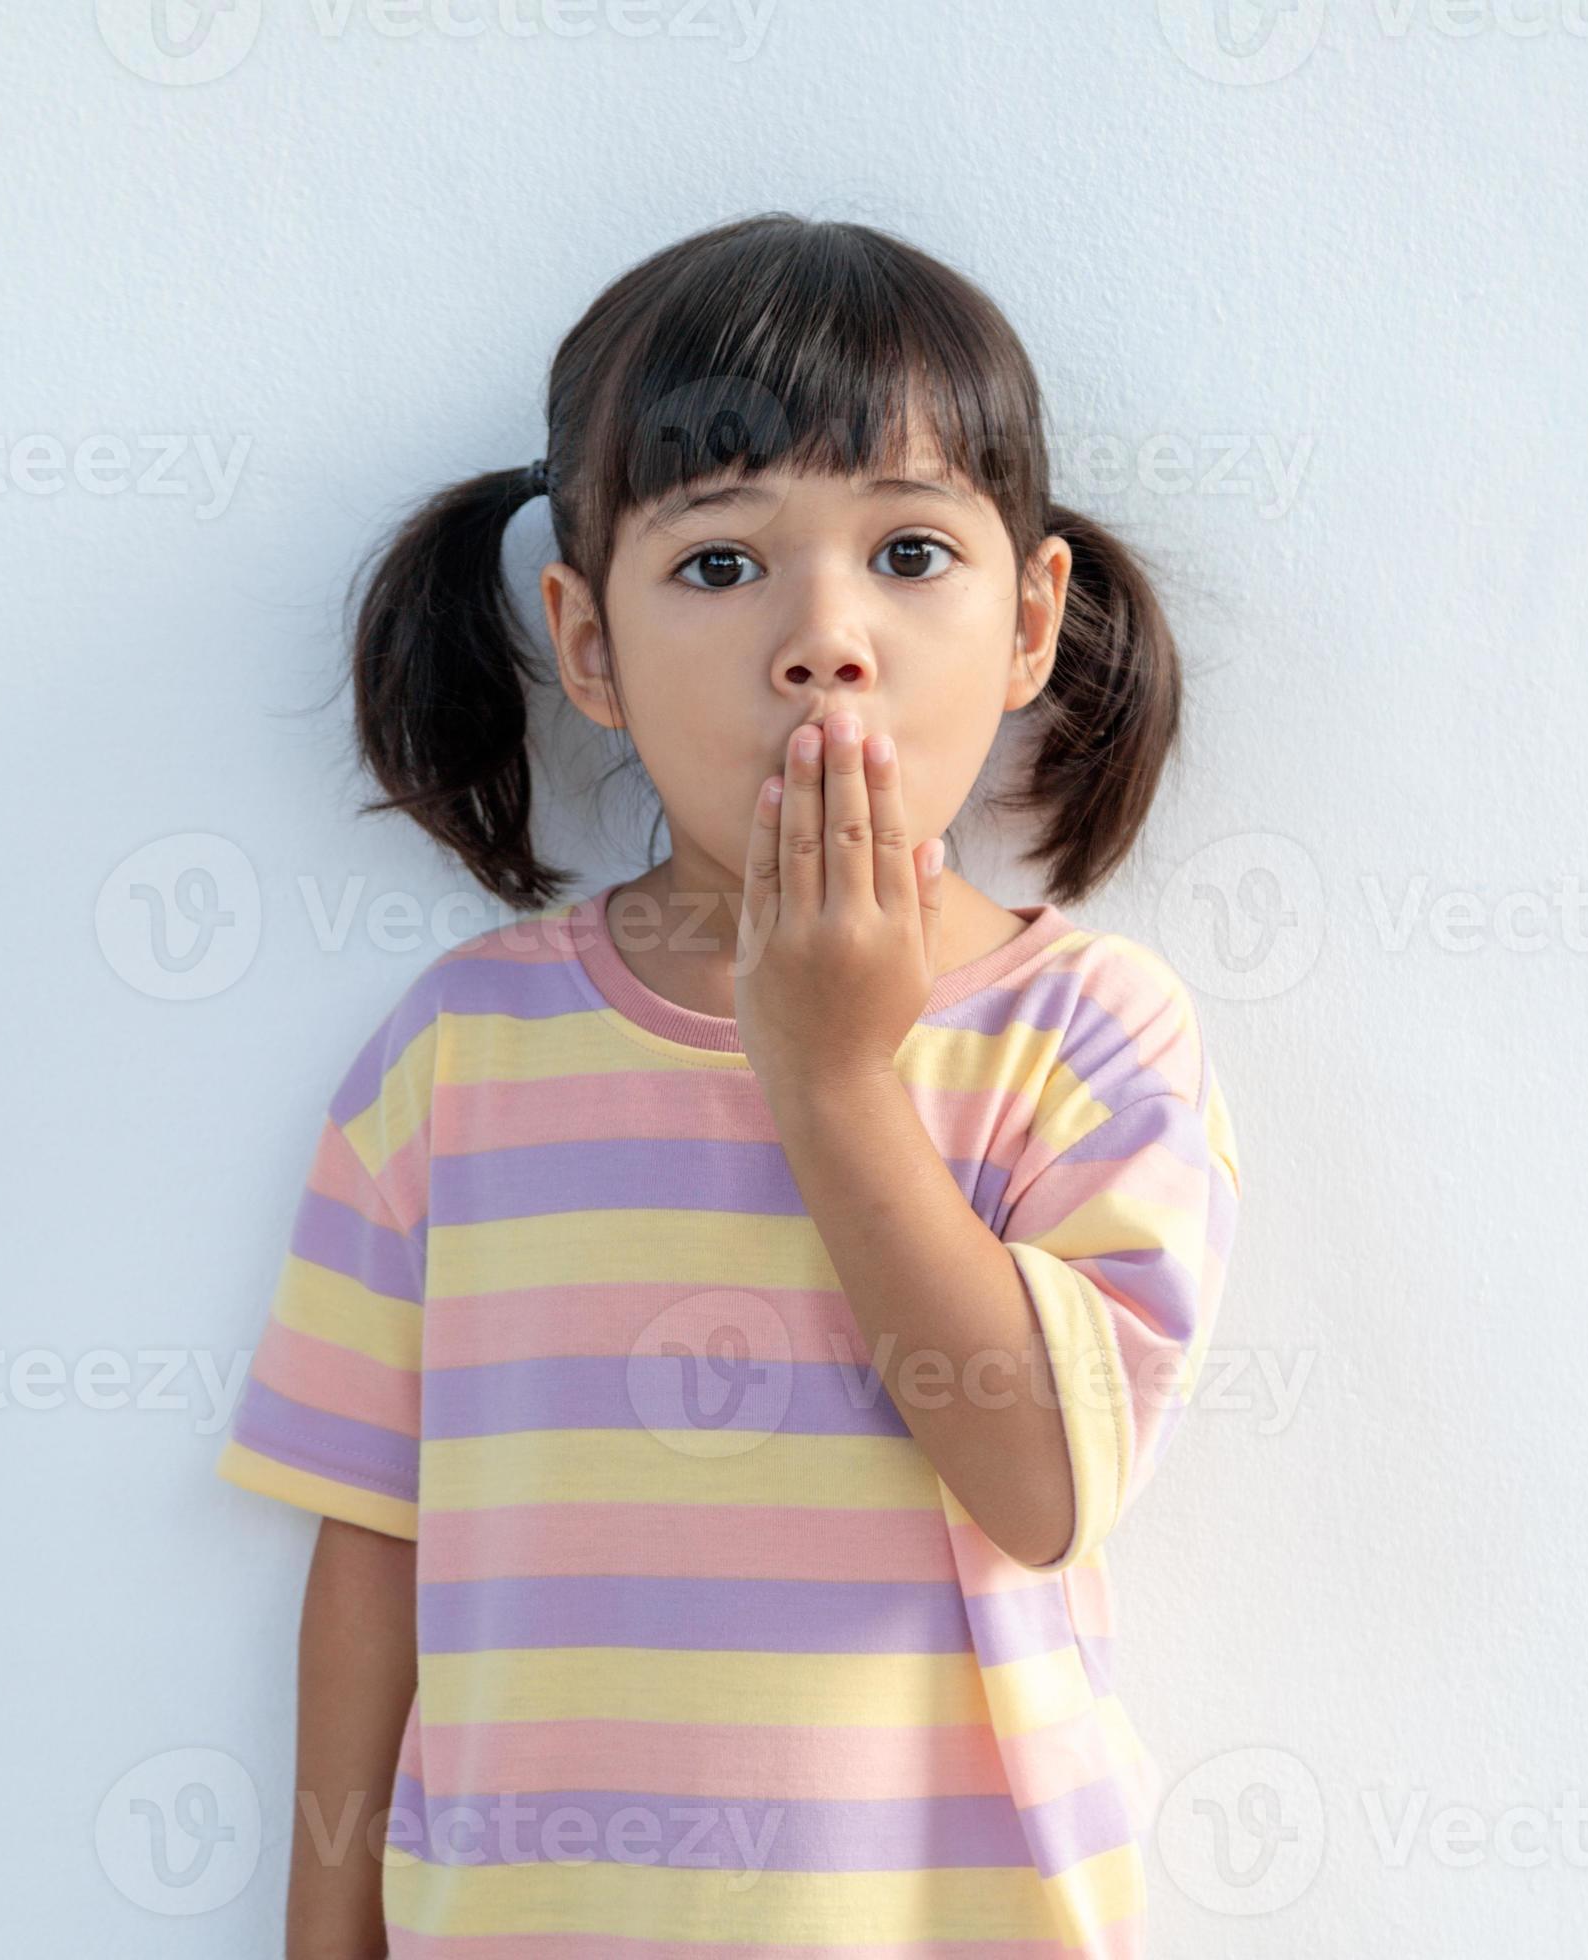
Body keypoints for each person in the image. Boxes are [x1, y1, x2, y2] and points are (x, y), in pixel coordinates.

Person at [215, 210, 1246, 1958]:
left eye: (909, 552)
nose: (825, 636)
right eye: (718, 564)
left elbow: (1041, 1488)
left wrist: (831, 1079)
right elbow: (375, 1541)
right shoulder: (459, 1058)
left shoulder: (1087, 1036)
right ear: (587, 646)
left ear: (1031, 622)